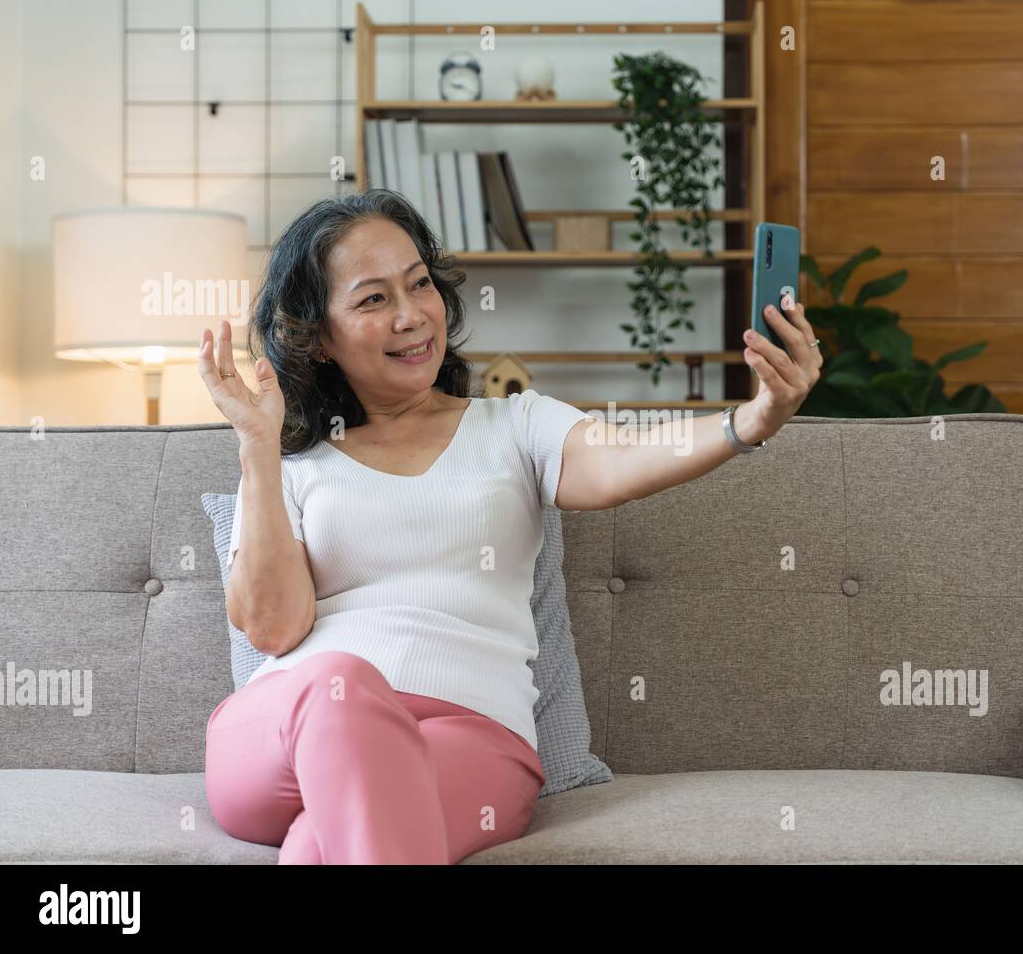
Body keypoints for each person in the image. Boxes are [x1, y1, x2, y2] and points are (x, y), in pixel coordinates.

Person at [197, 188, 821, 864]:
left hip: (469, 738)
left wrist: (750, 421)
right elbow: (274, 627)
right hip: (287, 731)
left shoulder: (515, 426)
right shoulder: (291, 465)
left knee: (320, 847)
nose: (412, 317)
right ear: (317, 335)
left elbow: (616, 458)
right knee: (339, 683)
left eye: (419, 285)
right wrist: (258, 449)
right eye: (374, 299)